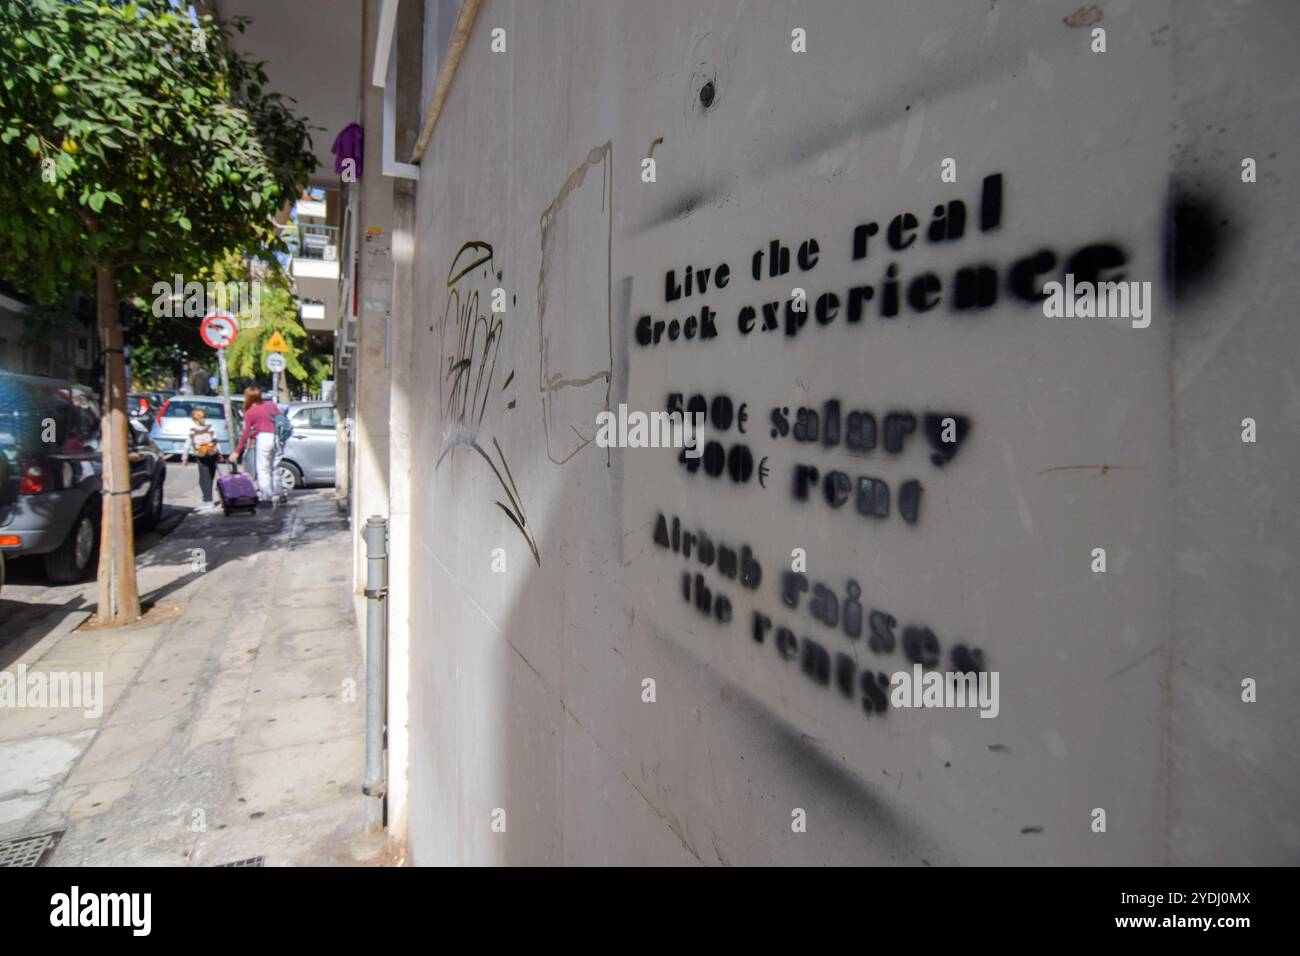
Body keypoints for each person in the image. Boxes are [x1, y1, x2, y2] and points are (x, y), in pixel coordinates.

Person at [234, 386, 286, 504]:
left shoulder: (250, 412)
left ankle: (266, 496)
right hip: (276, 438)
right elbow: (280, 419)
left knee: (263, 469)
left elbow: (246, 433)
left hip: (263, 438)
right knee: (275, 467)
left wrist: (237, 450)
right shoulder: (271, 405)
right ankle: (280, 493)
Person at [181, 406, 224, 509]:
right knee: (210, 475)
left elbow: (187, 445)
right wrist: (220, 454)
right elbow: (216, 442)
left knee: (204, 478)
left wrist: (184, 457)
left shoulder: (192, 431)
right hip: (212, 454)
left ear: (193, 419)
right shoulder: (210, 428)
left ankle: (208, 500)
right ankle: (208, 497)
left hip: (201, 456)